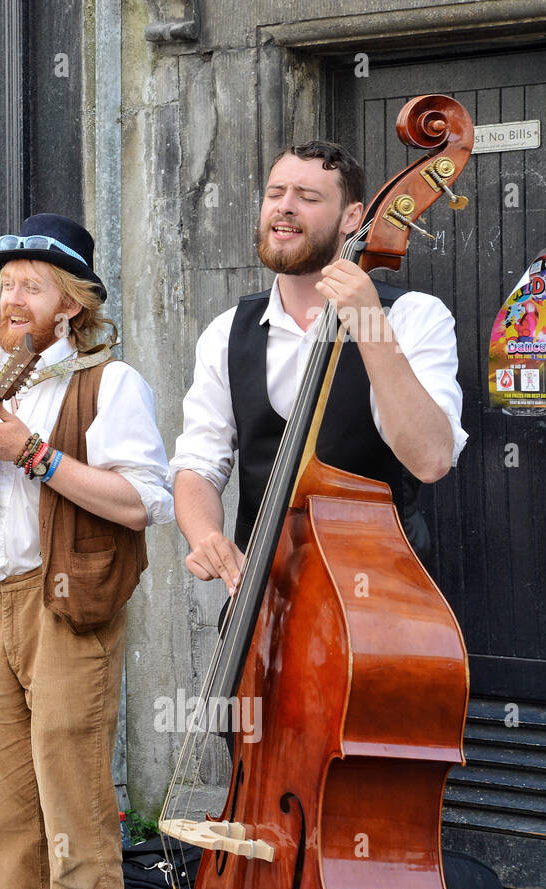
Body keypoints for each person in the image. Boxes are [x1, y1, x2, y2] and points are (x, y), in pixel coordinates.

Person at [0, 213, 174, 889]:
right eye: (6, 285)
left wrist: (35, 454)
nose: (11, 299)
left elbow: (144, 502)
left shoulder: (111, 384)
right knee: (0, 817)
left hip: (69, 606)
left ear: (72, 304)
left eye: (31, 285)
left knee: (73, 817)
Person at [171, 140, 466, 596]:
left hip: (379, 600)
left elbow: (430, 459)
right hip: (265, 600)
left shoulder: (413, 317)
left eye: (308, 198)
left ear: (352, 217)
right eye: (275, 194)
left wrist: (369, 323)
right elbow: (198, 462)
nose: (284, 208)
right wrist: (205, 533)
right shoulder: (226, 331)